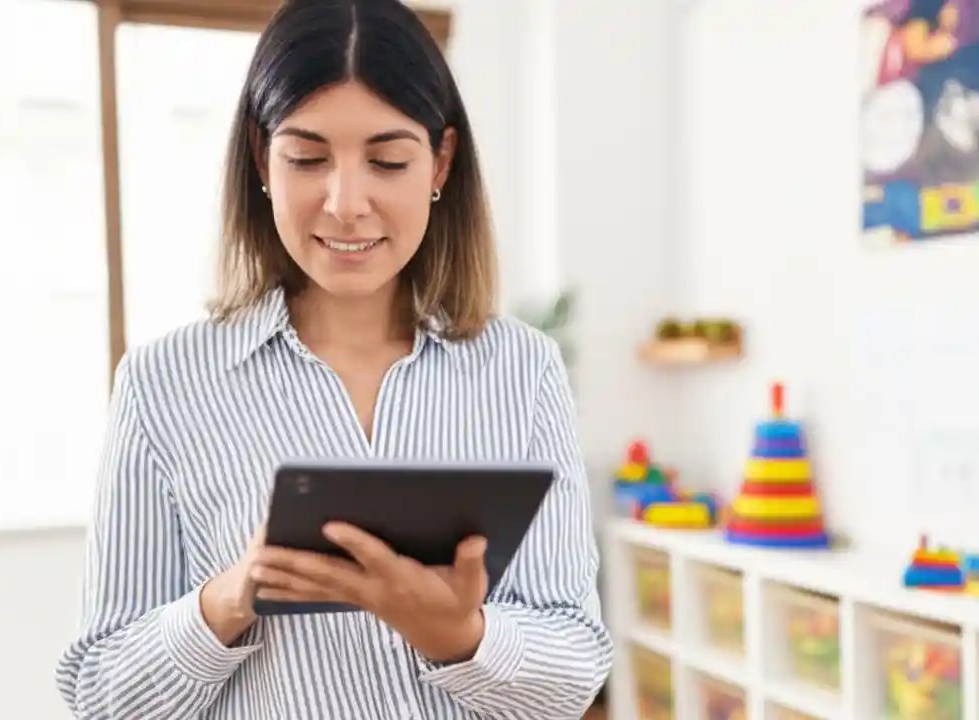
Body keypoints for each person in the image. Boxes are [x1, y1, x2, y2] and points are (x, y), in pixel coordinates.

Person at [53, 1, 612, 717]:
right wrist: (231, 597)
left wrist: (460, 637)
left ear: (440, 162)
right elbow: (102, 694)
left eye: (387, 160)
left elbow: (573, 674)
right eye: (308, 158)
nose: (347, 204)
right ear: (262, 158)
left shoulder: (522, 371)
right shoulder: (163, 383)